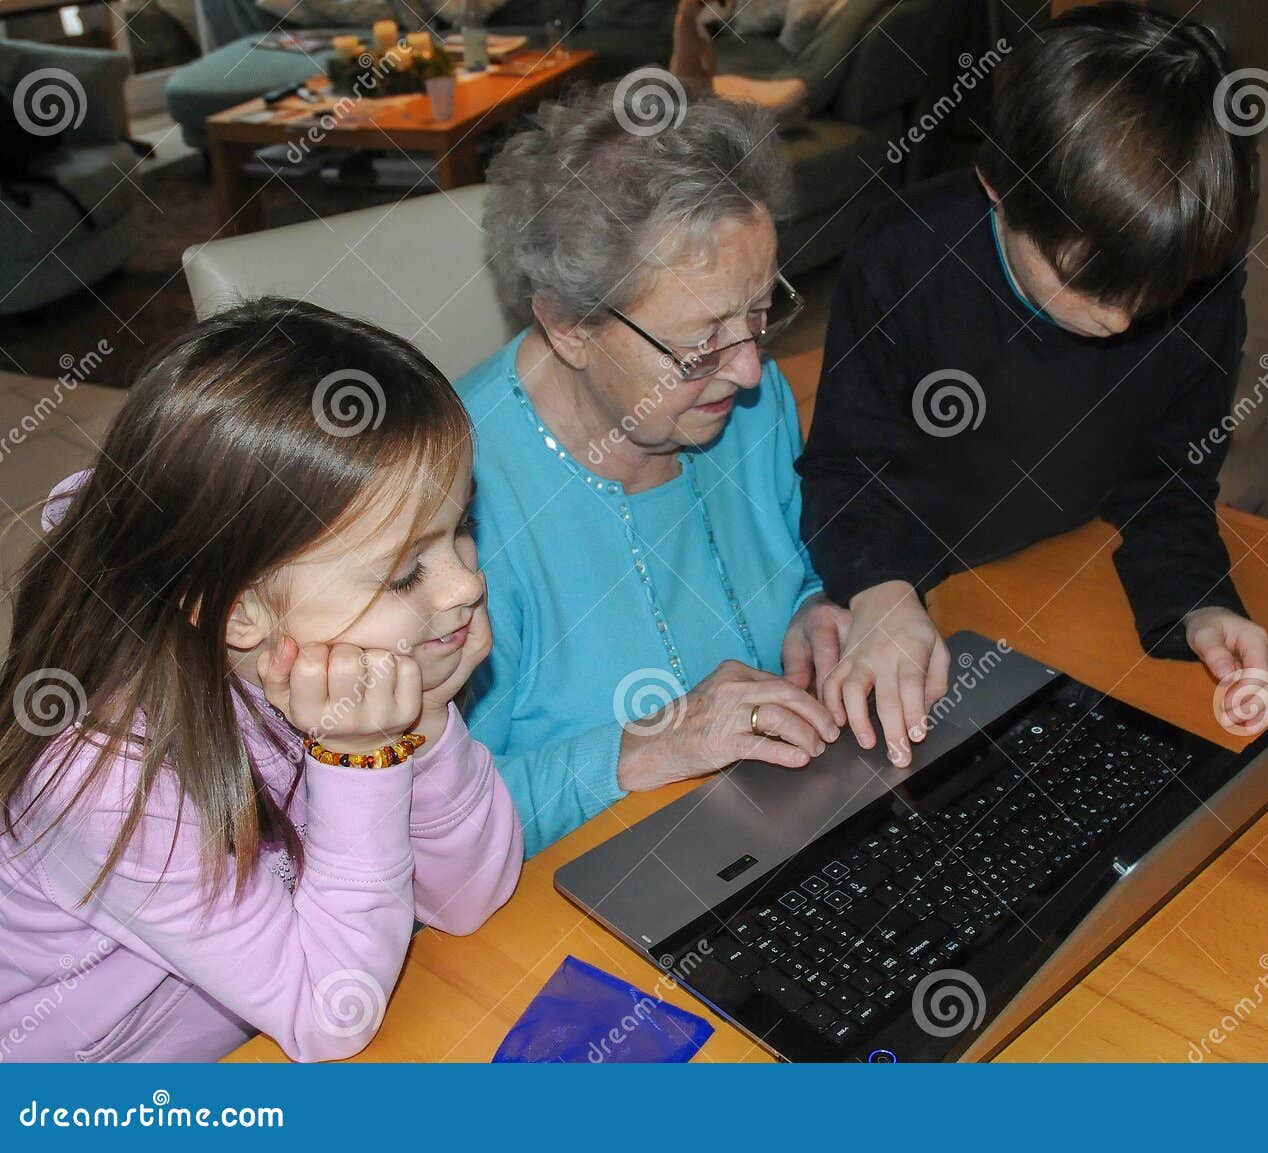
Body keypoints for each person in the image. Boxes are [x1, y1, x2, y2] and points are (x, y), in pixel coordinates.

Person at [0, 299, 523, 1062]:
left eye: (461, 530)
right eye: (407, 570)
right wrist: (359, 759)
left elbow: (471, 899)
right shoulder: (109, 778)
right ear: (240, 613)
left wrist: (427, 721)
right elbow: (331, 1014)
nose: (464, 587)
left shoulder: (339, 663)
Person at [798, 2, 1268, 765]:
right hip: (924, 589)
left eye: (1150, 295)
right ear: (998, 187)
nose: (1122, 320)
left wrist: (1199, 605)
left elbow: (1170, 481)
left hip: (1060, 579)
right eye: (1086, 283)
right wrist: (881, 585)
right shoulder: (904, 257)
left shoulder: (1195, 277)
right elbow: (846, 465)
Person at [459, 82, 846, 858]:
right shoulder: (456, 505)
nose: (748, 371)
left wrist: (815, 616)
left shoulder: (743, 398)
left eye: (761, 312)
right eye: (701, 343)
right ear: (569, 326)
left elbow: (788, 565)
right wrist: (645, 746)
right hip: (574, 903)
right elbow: (429, 840)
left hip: (775, 834)